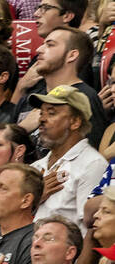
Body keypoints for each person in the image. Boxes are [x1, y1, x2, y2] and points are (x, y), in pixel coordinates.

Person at [29, 85, 106, 226]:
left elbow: (90, 228)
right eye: (41, 113)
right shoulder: (35, 167)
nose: (42, 119)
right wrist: (34, 199)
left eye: (51, 113)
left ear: (75, 122)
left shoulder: (92, 164)